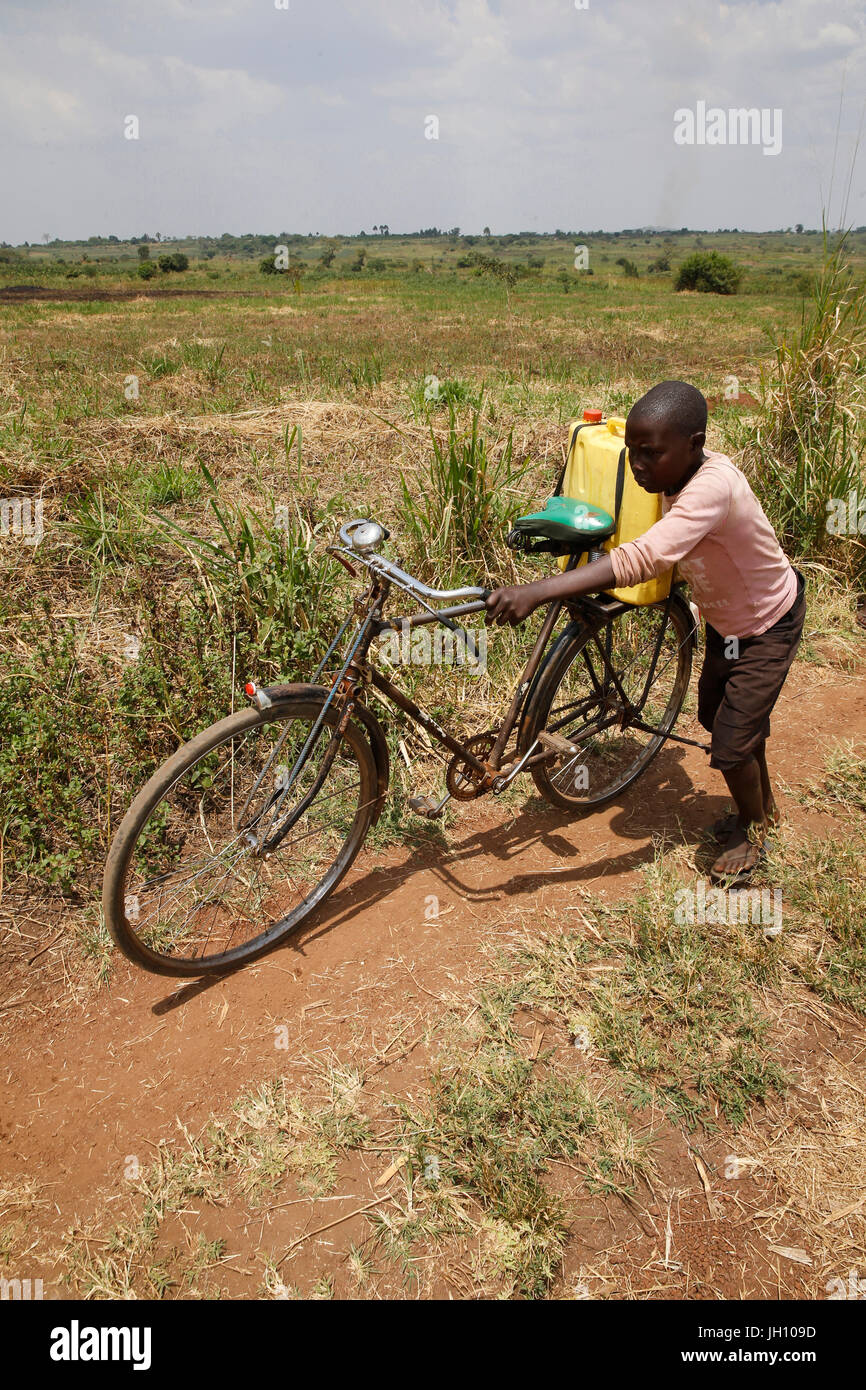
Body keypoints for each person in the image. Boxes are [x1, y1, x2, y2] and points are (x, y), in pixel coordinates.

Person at [485, 380, 806, 883]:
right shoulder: (670, 477)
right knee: (720, 714)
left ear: (695, 444)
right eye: (631, 452)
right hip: (727, 623)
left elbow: (647, 555)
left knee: (730, 741)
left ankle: (753, 829)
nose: (636, 466)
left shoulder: (713, 487)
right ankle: (762, 802)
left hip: (768, 622)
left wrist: (538, 590)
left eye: (650, 453)